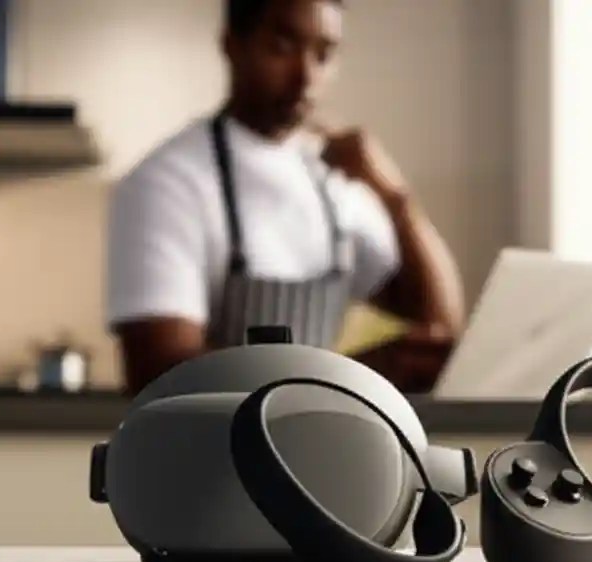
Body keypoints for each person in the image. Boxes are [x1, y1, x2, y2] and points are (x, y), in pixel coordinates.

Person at [106, 0, 465, 394]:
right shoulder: (167, 183)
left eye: (324, 54)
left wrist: (395, 195)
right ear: (232, 45)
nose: (306, 76)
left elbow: (438, 326)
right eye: (282, 47)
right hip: (205, 448)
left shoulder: (336, 179)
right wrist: (351, 375)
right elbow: (158, 372)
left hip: (322, 437)